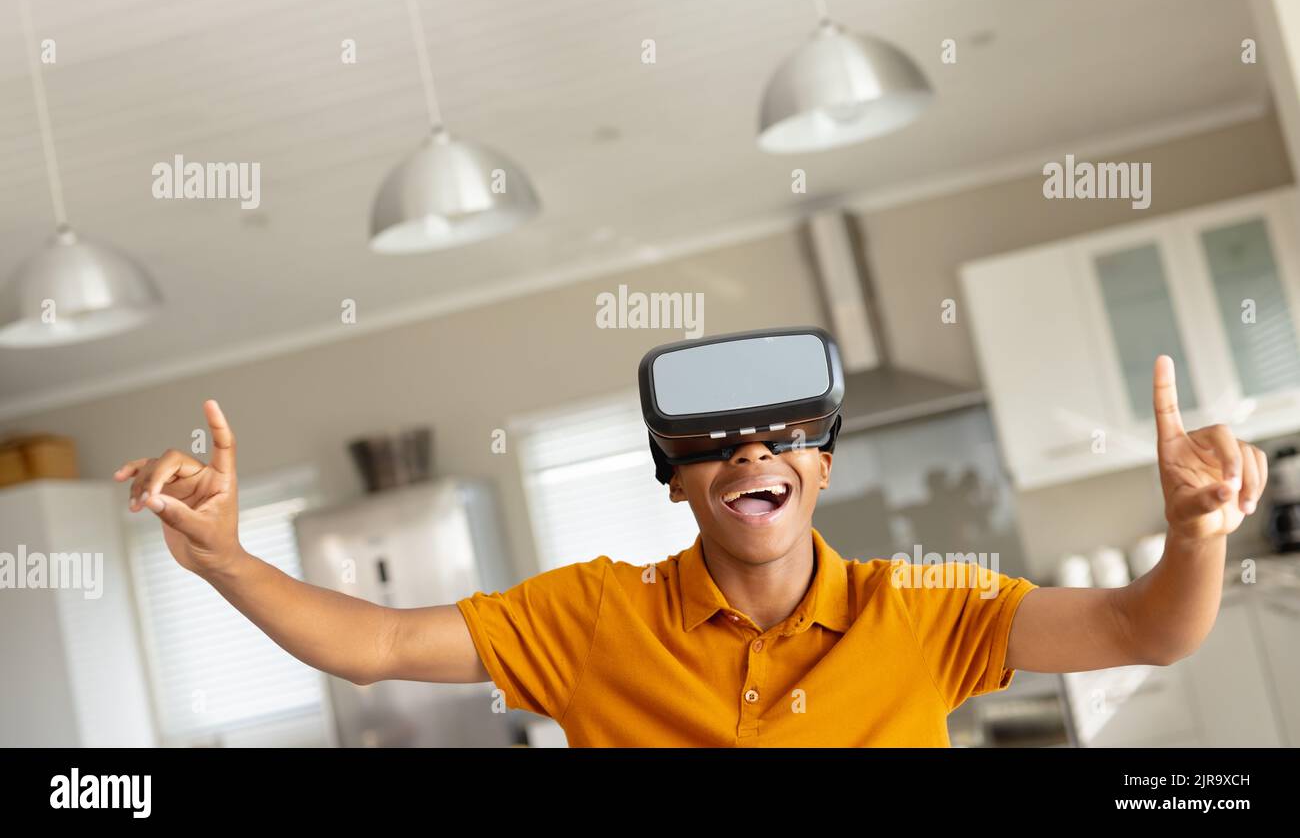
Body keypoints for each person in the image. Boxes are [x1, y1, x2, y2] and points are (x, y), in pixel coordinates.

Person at [114, 353, 1267, 746]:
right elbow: (370, 642)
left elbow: (1141, 631)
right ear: (675, 482)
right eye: (710, 446)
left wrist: (1190, 532)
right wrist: (221, 555)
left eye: (777, 441)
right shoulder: (587, 618)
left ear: (821, 467)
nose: (746, 459)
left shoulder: (926, 607)